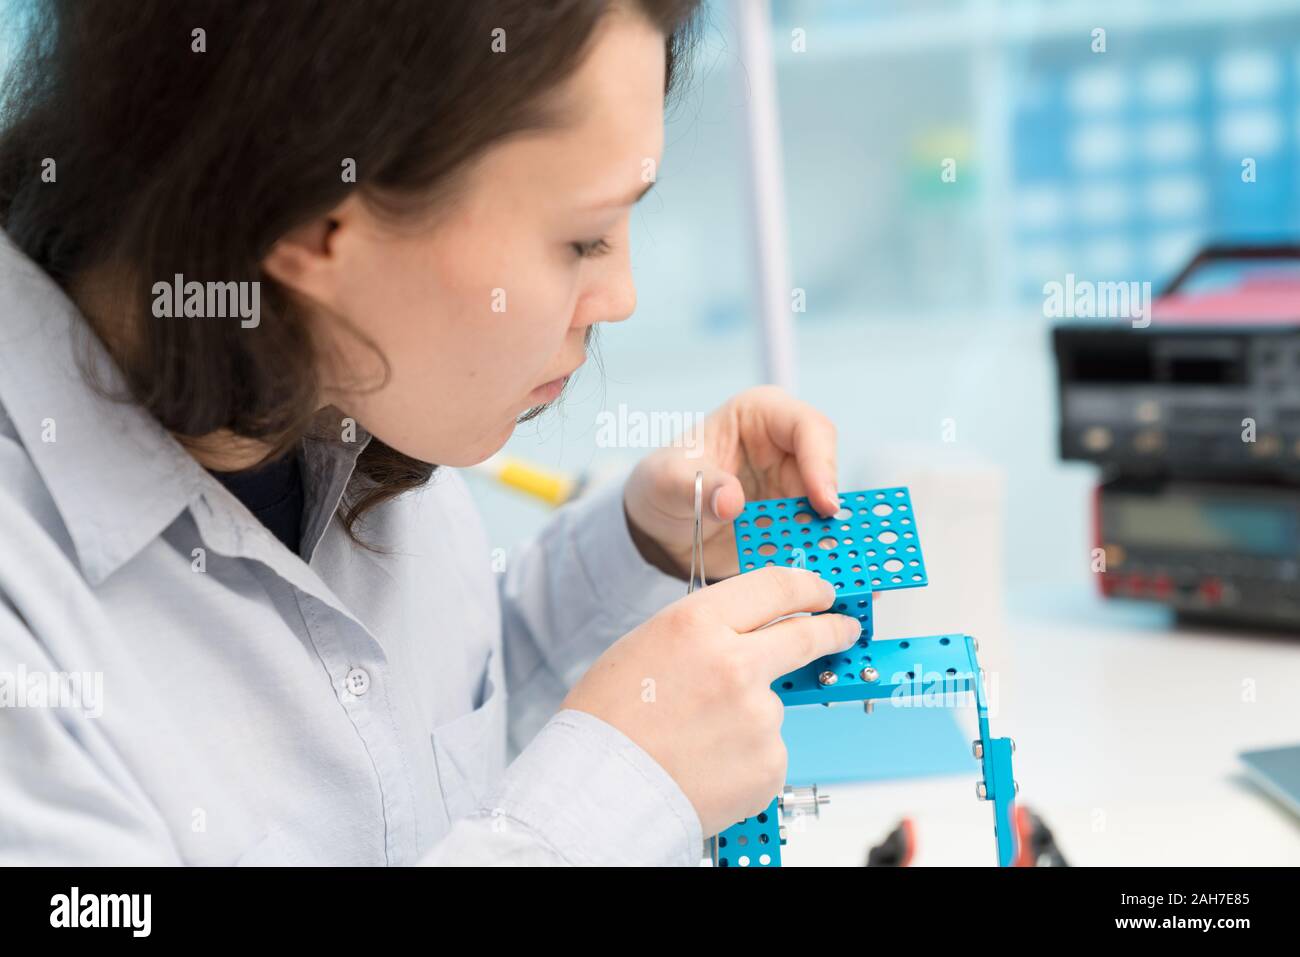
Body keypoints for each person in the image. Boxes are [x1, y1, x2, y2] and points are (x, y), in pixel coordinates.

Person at [0, 0, 860, 865]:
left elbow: (414, 747)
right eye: (584, 237)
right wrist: (606, 802)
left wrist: (637, 549)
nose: (622, 296)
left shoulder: (347, 371)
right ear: (312, 224)